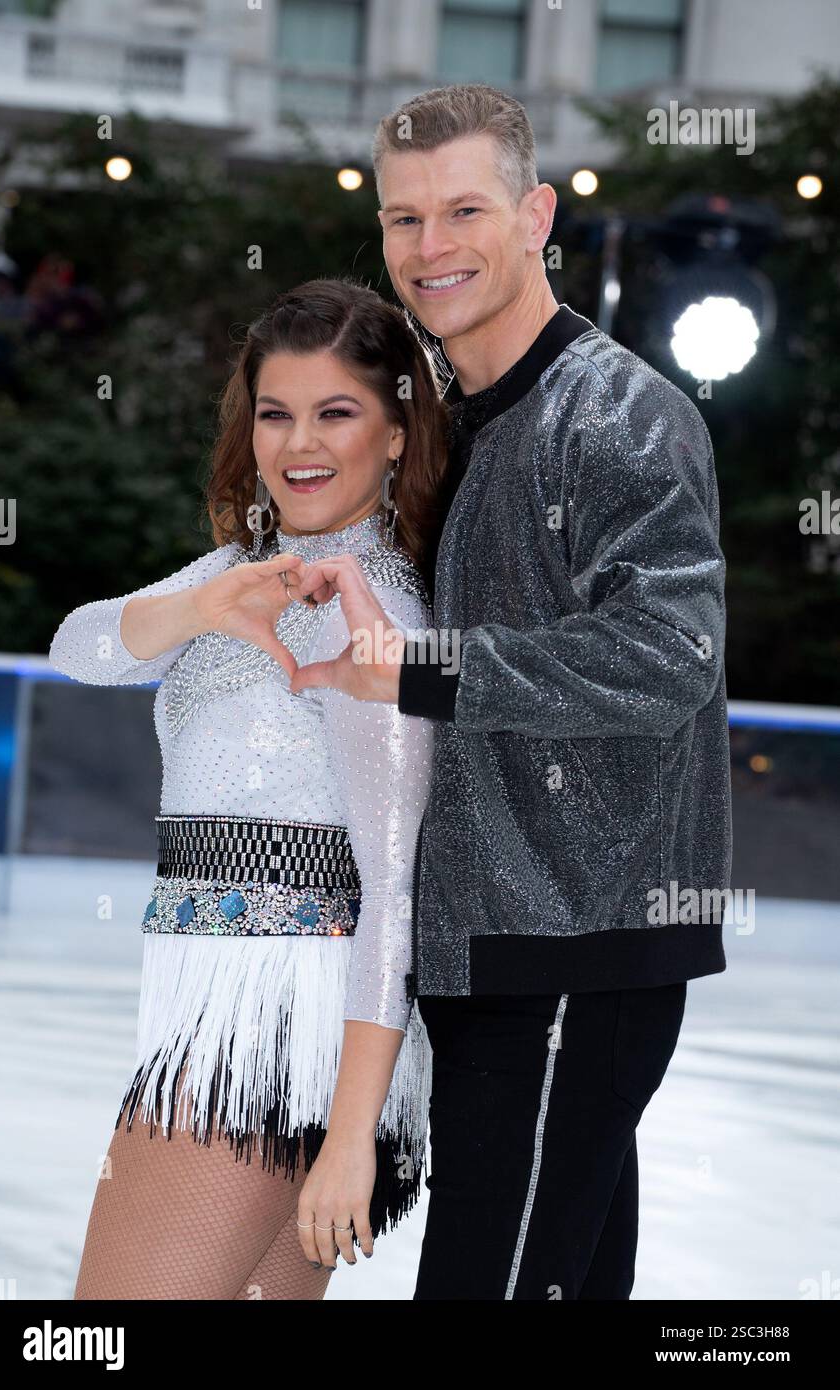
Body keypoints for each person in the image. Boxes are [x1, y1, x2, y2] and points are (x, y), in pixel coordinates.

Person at [290, 84, 733, 1300]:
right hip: (495, 951)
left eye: (464, 209)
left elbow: (668, 655)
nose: (430, 247)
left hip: (574, 950)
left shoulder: (623, 415)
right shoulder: (450, 426)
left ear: (537, 213)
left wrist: (423, 671)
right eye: (402, 219)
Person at [49, 277, 448, 1299]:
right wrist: (201, 605)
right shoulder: (242, 572)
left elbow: (394, 894)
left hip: (278, 1045)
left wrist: (353, 1137)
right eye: (276, 412)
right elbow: (79, 646)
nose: (298, 441)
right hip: (224, 1030)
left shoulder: (377, 614)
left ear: (398, 433)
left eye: (336, 411)